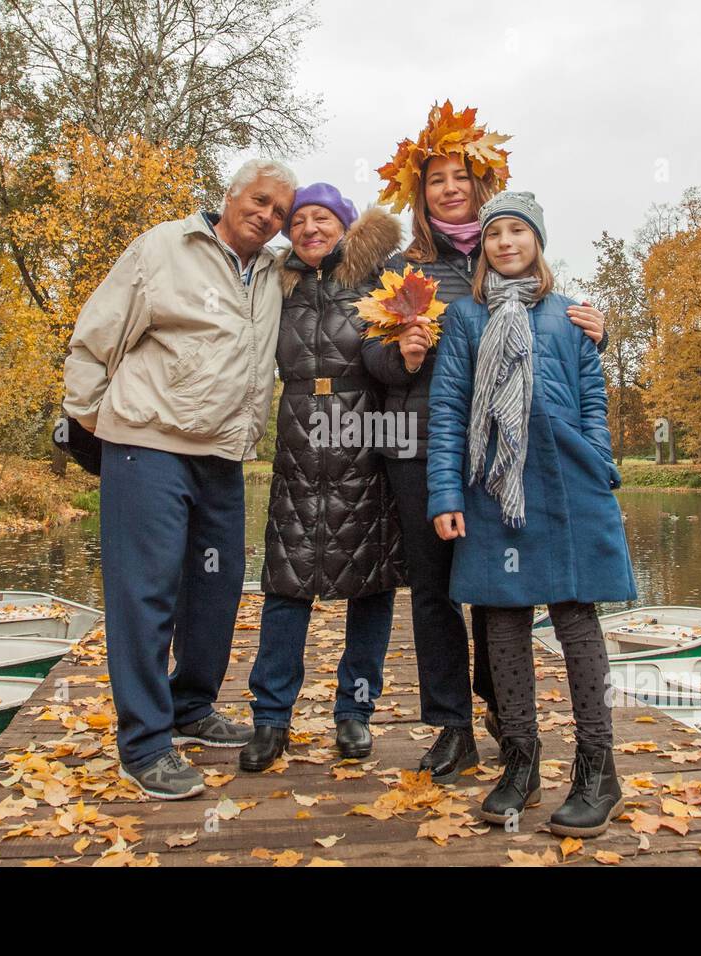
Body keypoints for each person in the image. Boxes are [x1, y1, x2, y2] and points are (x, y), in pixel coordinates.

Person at [363, 102, 607, 782]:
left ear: (482, 185)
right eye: (435, 179)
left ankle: (508, 713)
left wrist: (597, 336)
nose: (448, 188)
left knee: (502, 585)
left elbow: (562, 339)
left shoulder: (512, 251)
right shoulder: (405, 266)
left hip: (509, 452)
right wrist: (404, 356)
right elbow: (370, 362)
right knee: (436, 591)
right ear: (422, 194)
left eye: (459, 177)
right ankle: (451, 725)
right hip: (423, 445)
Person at [62, 159, 297, 799]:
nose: (267, 215)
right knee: (146, 594)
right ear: (230, 194)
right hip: (146, 444)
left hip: (223, 454)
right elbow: (95, 337)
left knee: (215, 590)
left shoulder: (278, 274)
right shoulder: (164, 247)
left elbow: (350, 263)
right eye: (259, 200)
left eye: (280, 210)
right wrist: (90, 425)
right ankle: (143, 745)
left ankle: (190, 707)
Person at [426, 191, 638, 837]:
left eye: (518, 231)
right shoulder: (465, 318)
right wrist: (445, 494)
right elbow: (447, 410)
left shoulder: (570, 315)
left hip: (568, 482)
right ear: (483, 248)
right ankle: (520, 765)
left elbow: (594, 400)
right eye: (495, 234)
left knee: (577, 622)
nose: (506, 242)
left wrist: (599, 463)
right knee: (503, 623)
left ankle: (598, 772)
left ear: (537, 241)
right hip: (492, 485)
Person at [240, 184, 407, 771]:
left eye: (323, 219)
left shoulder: (376, 280)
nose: (311, 228)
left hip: (367, 438)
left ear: (345, 225)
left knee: (371, 583)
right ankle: (270, 720)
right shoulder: (273, 285)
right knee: (286, 584)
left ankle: (355, 713)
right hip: (298, 436)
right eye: (301, 220)